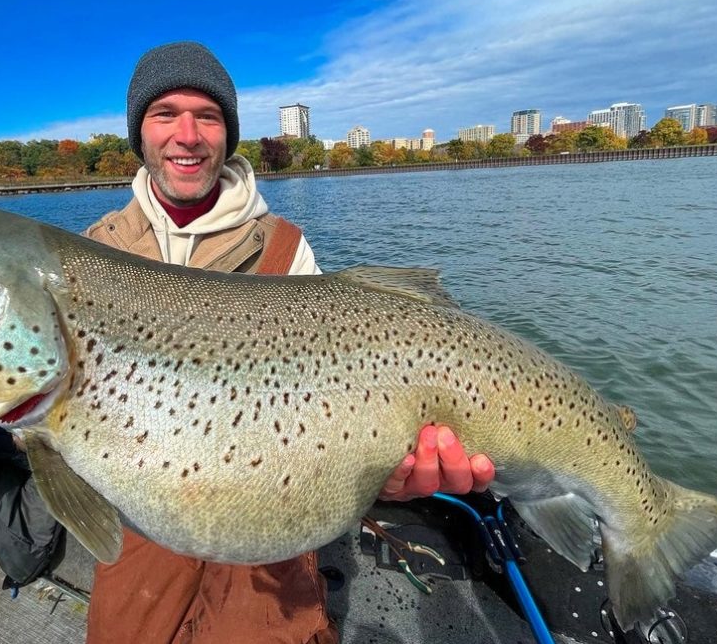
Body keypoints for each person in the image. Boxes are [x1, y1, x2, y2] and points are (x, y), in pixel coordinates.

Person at [82, 41, 495, 644]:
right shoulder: (94, 252)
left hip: (277, 504)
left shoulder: (286, 248)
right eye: (165, 113)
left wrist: (380, 470)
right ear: (138, 133)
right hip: (141, 508)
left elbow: (338, 396)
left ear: (228, 134)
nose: (187, 135)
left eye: (208, 116)